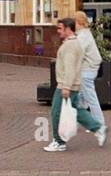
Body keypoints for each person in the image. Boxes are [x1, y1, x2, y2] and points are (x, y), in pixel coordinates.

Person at [45, 17, 107, 152]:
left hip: (66, 86)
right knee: (76, 111)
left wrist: (66, 87)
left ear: (68, 29)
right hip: (71, 85)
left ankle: (59, 141)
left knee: (56, 112)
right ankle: (98, 128)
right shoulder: (72, 43)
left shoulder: (70, 46)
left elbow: (70, 68)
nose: (58, 31)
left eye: (60, 28)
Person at [74, 10, 106, 132]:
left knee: (90, 98)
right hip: (89, 69)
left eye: (74, 22)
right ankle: (85, 122)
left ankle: (99, 124)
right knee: (81, 98)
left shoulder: (83, 36)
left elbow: (78, 53)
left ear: (78, 22)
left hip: (86, 70)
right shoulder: (85, 34)